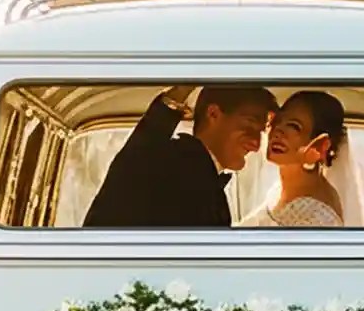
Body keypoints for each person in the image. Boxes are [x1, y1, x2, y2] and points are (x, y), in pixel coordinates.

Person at [82, 85, 278, 227]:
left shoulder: (198, 177)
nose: (255, 144)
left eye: (260, 132)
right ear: (213, 114)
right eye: (249, 126)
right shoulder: (163, 164)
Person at [236, 90, 364, 227]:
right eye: (276, 121)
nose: (278, 130)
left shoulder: (317, 220)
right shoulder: (280, 189)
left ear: (319, 145)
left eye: (294, 126)